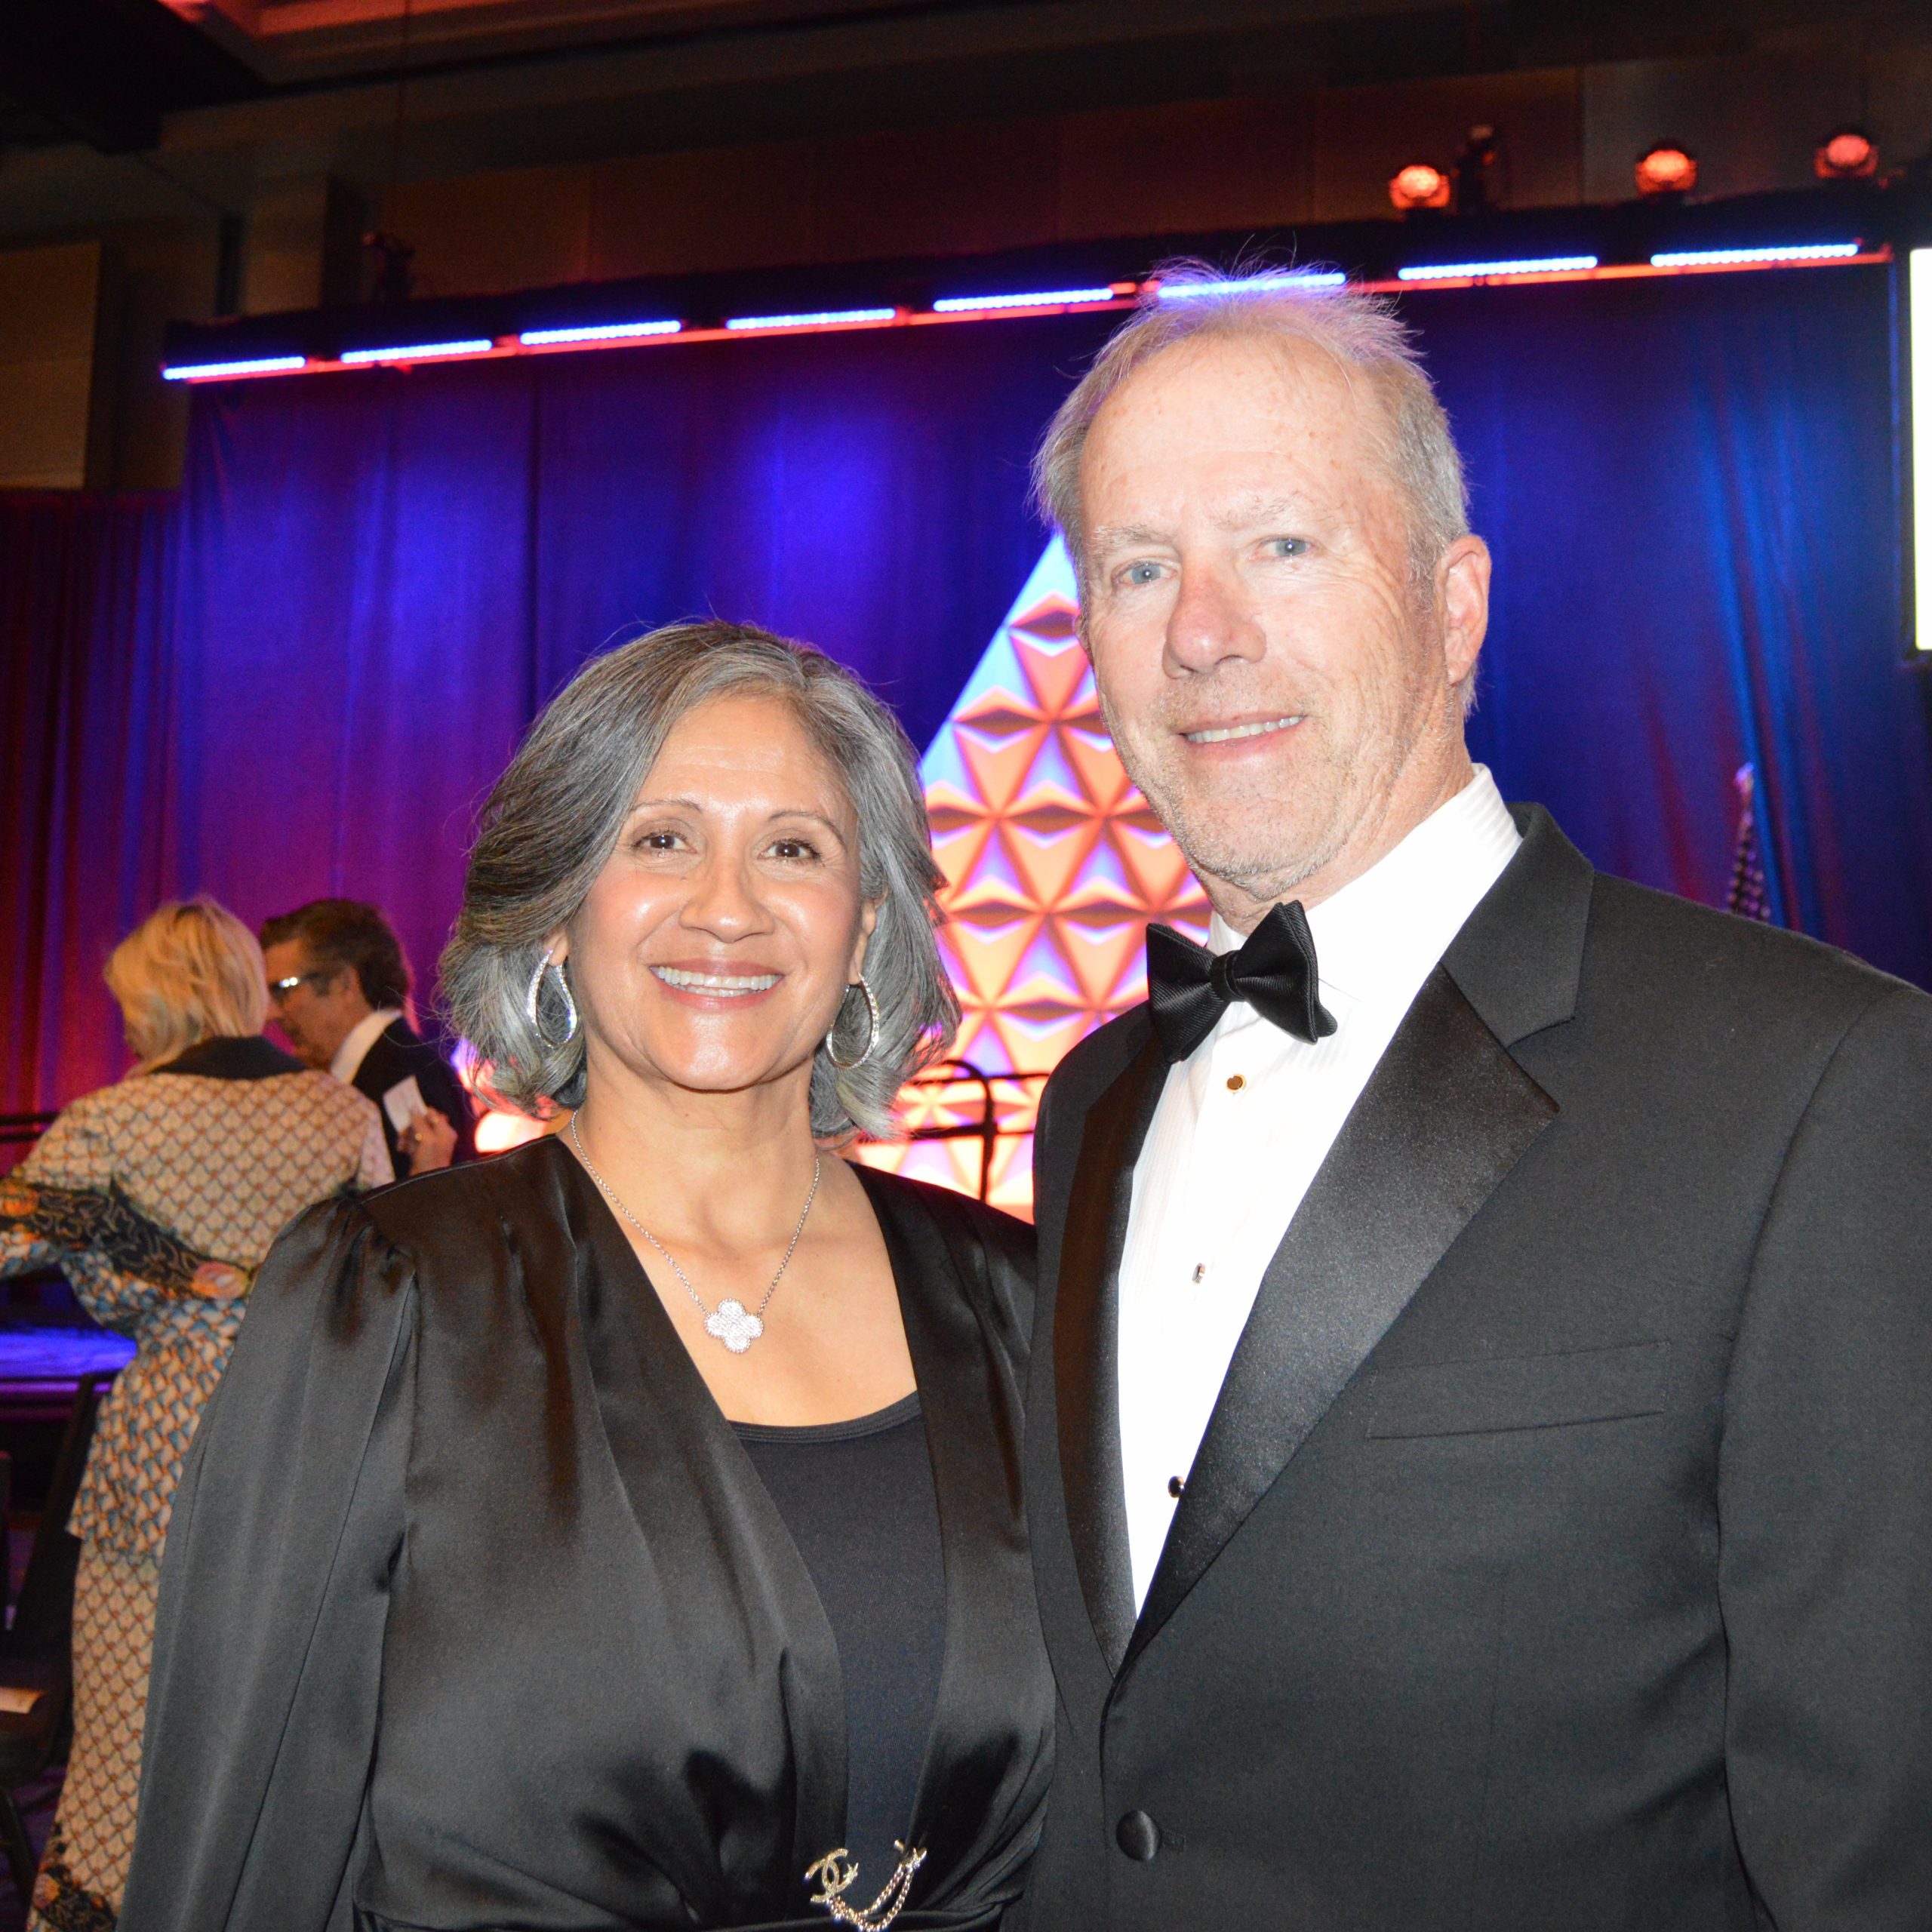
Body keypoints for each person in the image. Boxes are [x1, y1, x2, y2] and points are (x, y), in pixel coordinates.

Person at [1015, 265, 1932, 1927]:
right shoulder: (1089, 1102)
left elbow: (1874, 1838)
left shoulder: (1815, 1085)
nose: (1200, 632)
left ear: (1453, 606)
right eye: (1137, 568)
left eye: (1279, 544)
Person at [122, 623, 1053, 1932]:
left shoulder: (1016, 1305)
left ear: (867, 931)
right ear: (556, 911)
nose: (726, 905)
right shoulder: (386, 1302)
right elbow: (245, 1852)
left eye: (794, 848)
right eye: (659, 838)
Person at [0, 899, 389, 1930]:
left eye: (129, 1002)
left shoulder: (114, 1123)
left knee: (128, 1733)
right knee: (291, 1716)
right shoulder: (342, 1113)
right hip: (315, 1441)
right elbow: (388, 1278)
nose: (122, 1023)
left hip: (168, 1448)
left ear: (166, 998)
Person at [260, 898, 475, 1175]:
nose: (274, 1013)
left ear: (345, 984)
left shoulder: (400, 1081)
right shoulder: (399, 1069)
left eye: (284, 989)